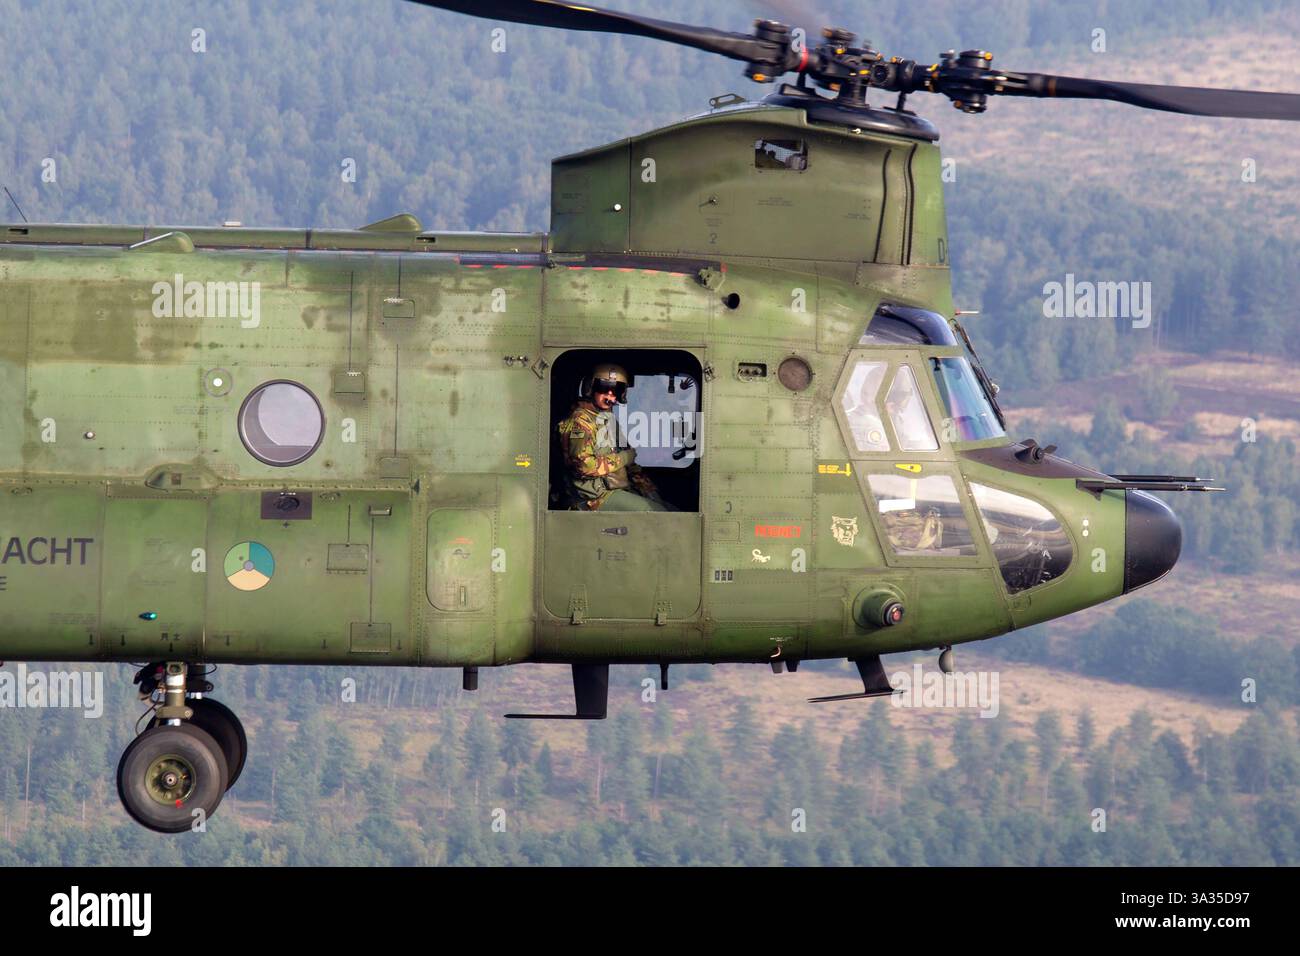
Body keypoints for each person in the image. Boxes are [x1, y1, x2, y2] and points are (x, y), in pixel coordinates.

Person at [557, 363, 672, 511]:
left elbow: (630, 462)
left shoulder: (608, 420)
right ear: (590, 388)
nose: (610, 394)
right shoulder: (580, 422)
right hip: (592, 499)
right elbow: (584, 466)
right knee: (656, 513)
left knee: (669, 510)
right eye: (604, 388)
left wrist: (648, 489)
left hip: (613, 490)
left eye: (616, 389)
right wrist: (624, 457)